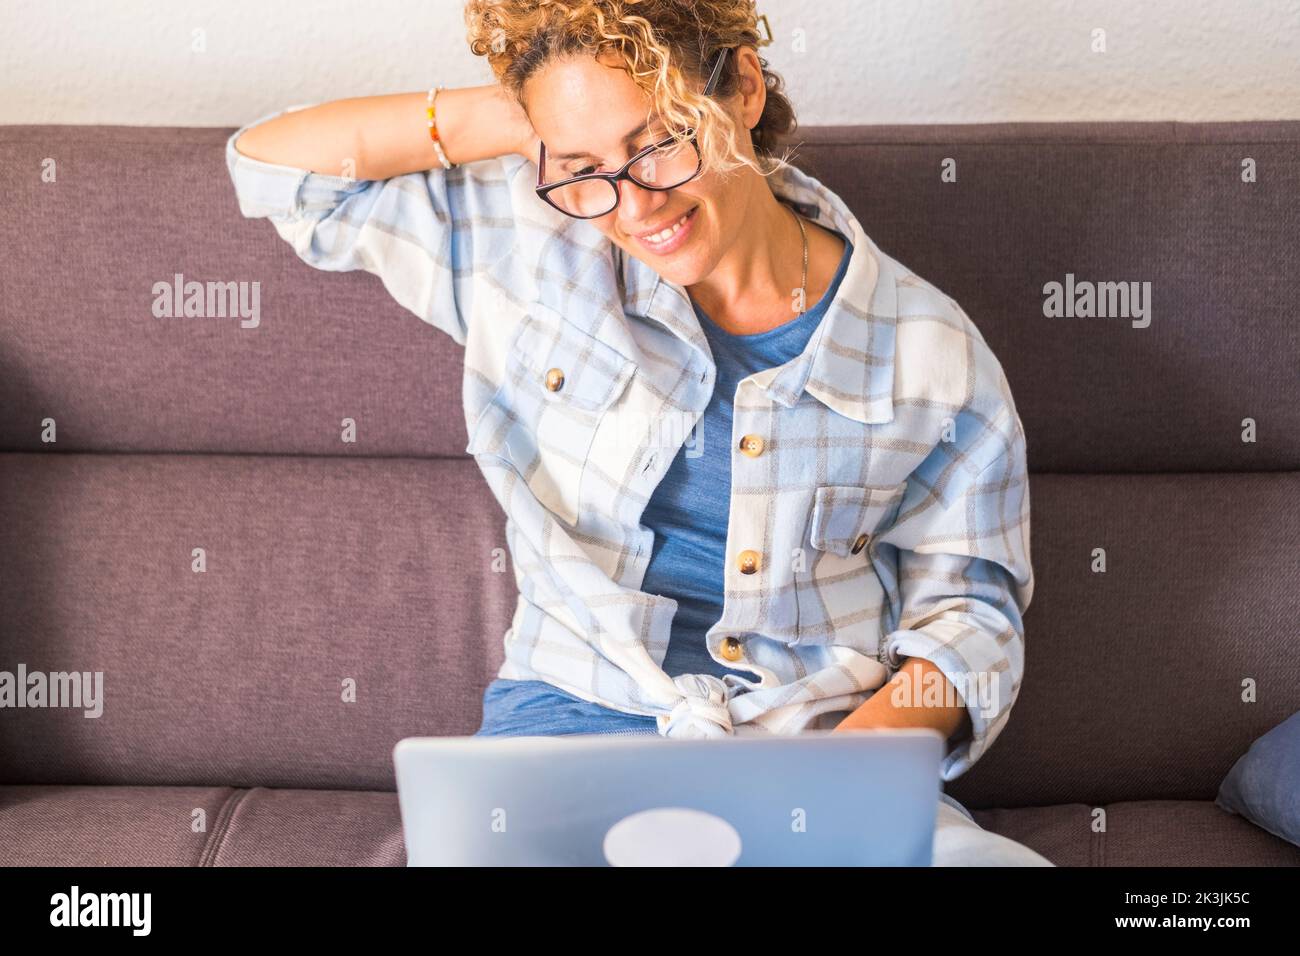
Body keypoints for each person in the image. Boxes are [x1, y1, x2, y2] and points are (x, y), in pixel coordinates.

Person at [225, 0, 1052, 867]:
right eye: (584, 167)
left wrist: (847, 769)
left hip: (810, 743)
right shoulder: (533, 247)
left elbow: (970, 616)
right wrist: (527, 116)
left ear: (741, 88)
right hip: (567, 738)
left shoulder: (928, 350)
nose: (631, 204)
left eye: (659, 141)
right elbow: (278, 171)